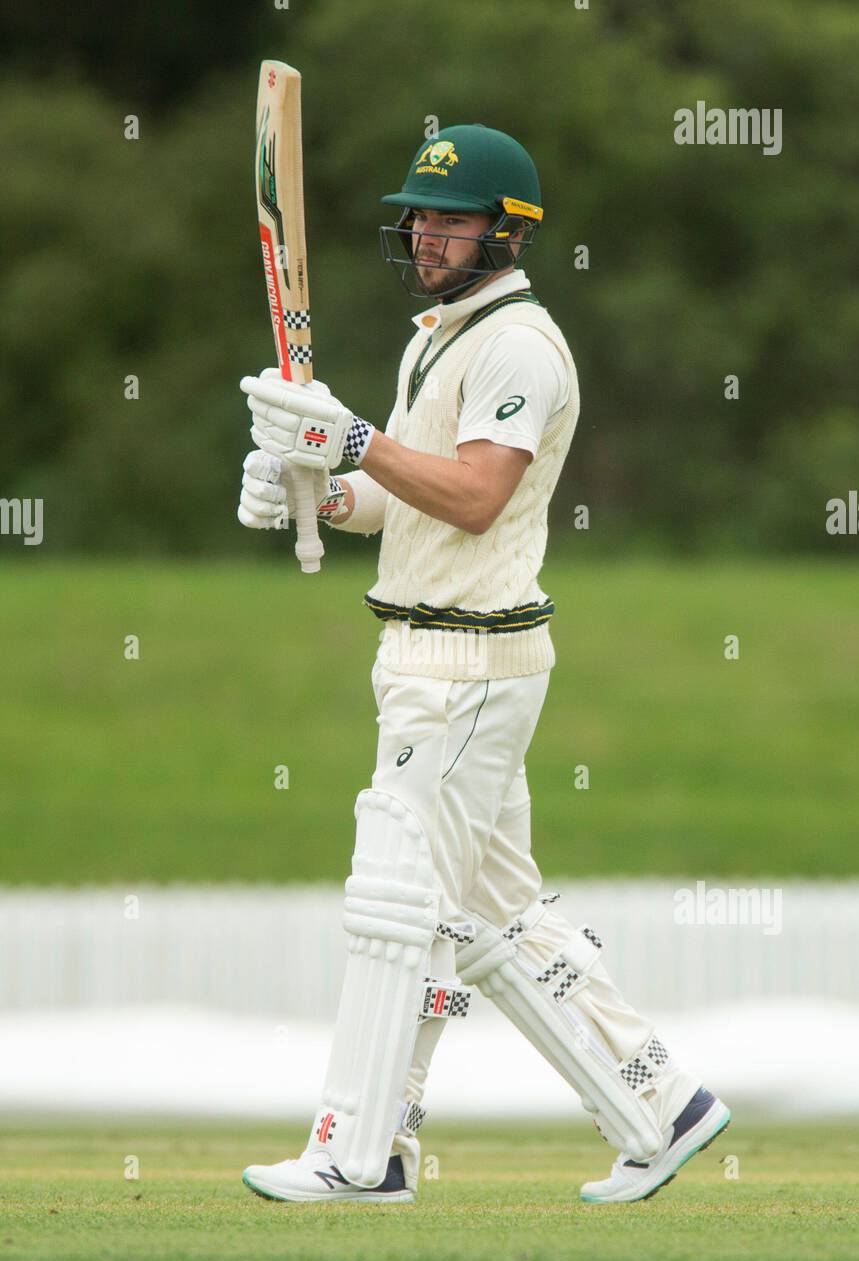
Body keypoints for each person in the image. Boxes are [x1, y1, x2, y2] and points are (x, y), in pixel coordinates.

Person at [236, 124, 730, 1205]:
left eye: (451, 219)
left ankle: (360, 1152)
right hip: (426, 647)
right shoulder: (436, 337)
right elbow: (413, 507)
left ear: (507, 231)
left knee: (393, 902)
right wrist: (310, 486)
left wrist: (353, 441)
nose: (426, 234)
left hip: (466, 665)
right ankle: (660, 1103)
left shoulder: (520, 344)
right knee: (491, 920)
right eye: (418, 215)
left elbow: (475, 495)